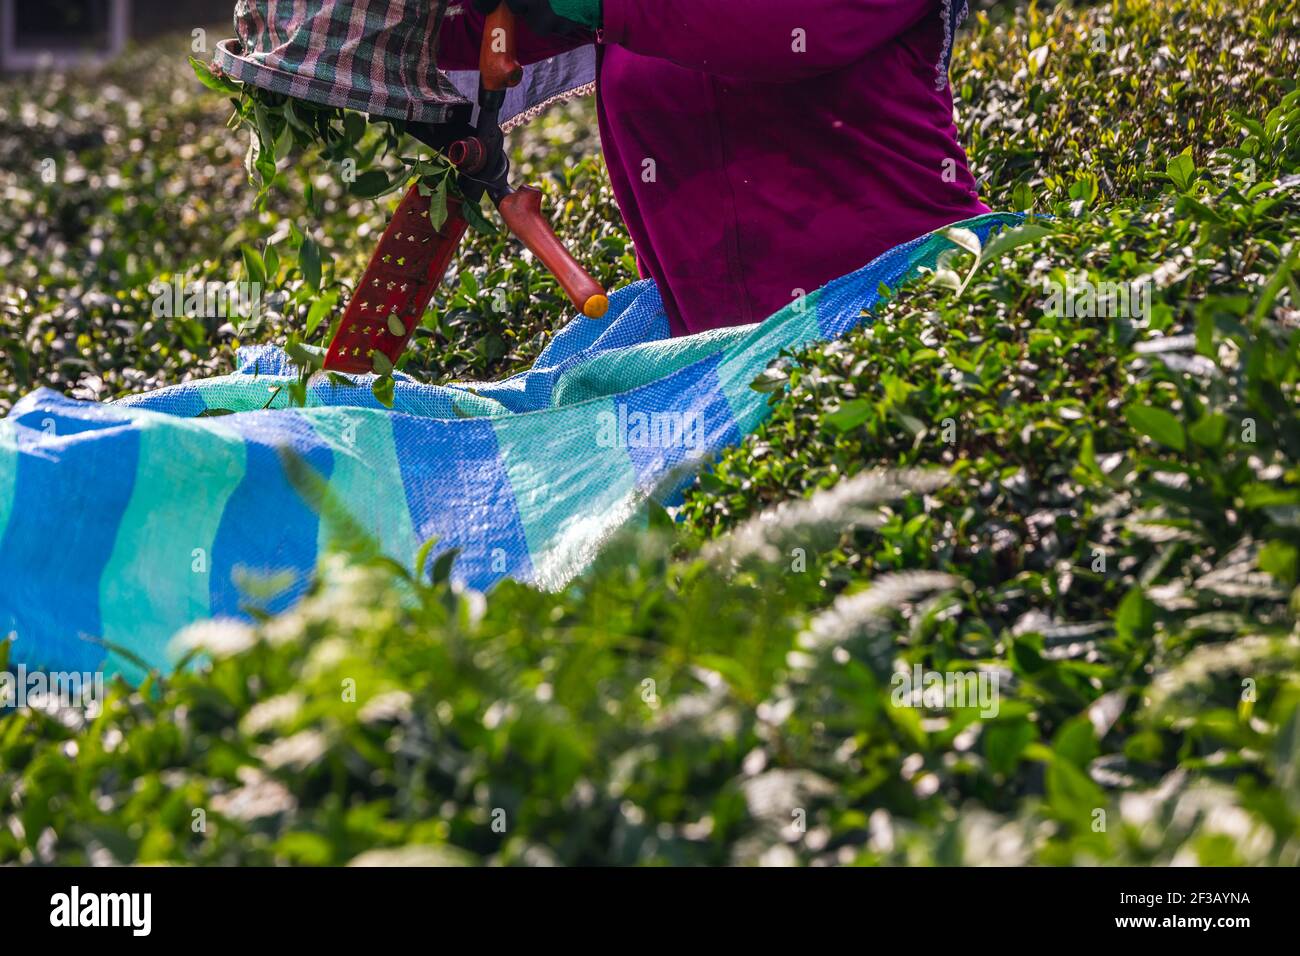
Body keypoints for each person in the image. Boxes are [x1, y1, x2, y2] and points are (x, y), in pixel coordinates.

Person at [216, 0, 989, 337]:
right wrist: (324, 41)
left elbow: (775, 28)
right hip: (721, 355)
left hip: (911, 306)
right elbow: (471, 51)